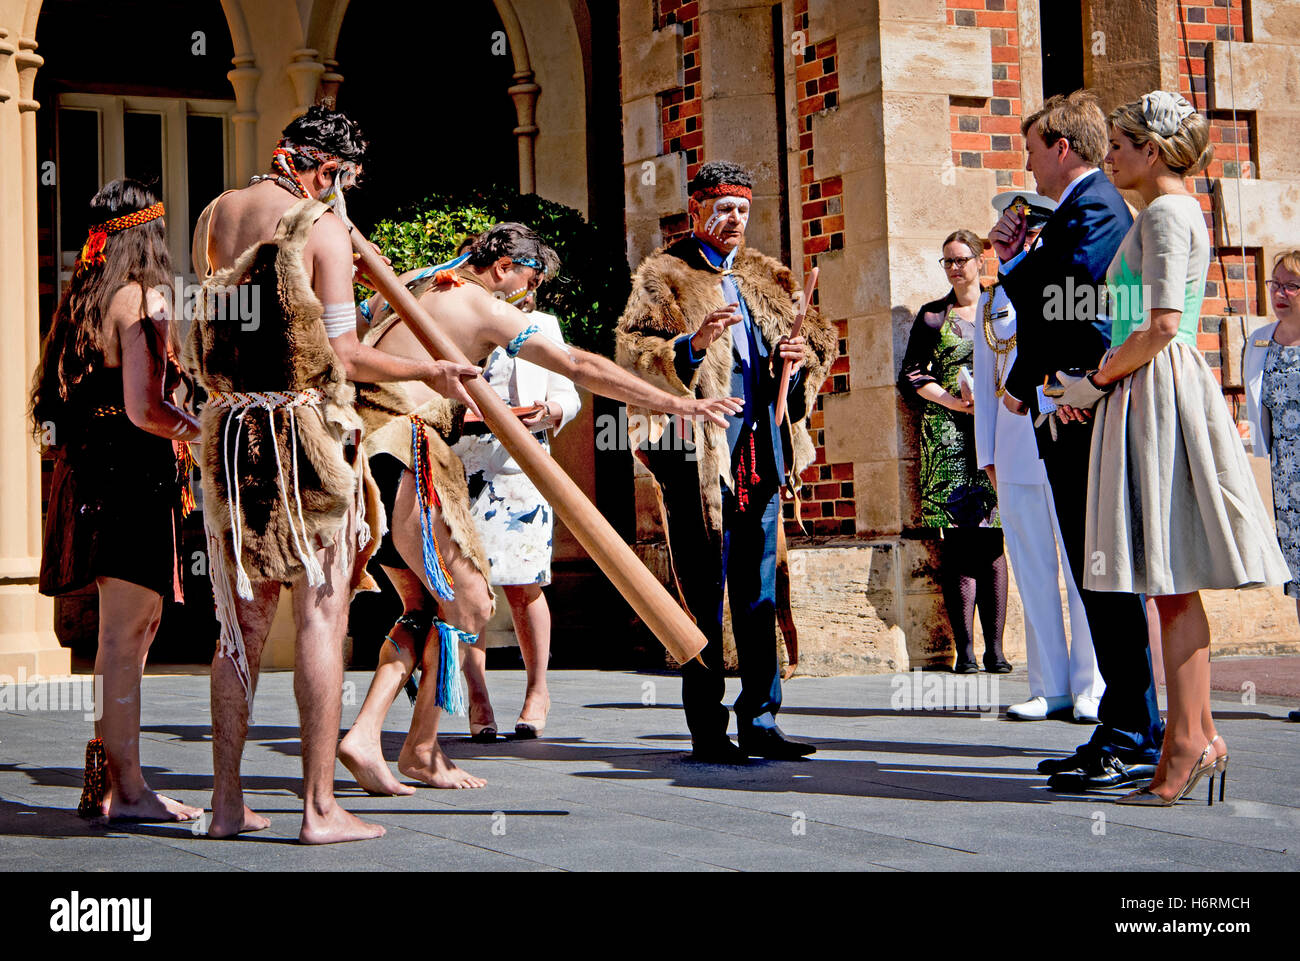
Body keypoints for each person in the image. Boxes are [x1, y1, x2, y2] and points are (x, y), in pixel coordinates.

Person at [336, 222, 742, 793]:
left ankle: (380, 740)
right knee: (471, 605)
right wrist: (677, 402)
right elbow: (579, 365)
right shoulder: (480, 305)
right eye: (530, 276)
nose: (529, 292)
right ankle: (416, 749)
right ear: (503, 265)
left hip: (356, 455)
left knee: (426, 606)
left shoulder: (414, 283)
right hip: (402, 452)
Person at [187, 105, 481, 842]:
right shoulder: (321, 229)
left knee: (239, 625)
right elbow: (346, 356)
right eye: (332, 173)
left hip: (228, 434)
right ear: (311, 163)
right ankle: (319, 809)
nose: (334, 186)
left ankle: (227, 805)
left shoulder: (216, 214)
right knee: (321, 612)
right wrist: (432, 368)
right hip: (301, 432)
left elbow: (206, 323)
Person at [1054, 92, 1288, 804]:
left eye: (1121, 143)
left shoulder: (1162, 212)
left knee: (1168, 577)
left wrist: (1091, 382)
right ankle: (1197, 732)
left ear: (1150, 151)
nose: (1113, 154)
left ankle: (1187, 738)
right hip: (1159, 385)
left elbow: (1157, 325)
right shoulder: (1176, 210)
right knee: (1169, 578)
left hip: (1155, 387)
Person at [616, 160, 836, 764]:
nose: (735, 220)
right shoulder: (664, 276)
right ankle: (708, 727)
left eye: (743, 209)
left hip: (760, 453)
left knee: (758, 587)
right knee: (702, 592)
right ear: (696, 212)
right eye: (723, 209)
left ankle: (761, 719)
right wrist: (693, 345)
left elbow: (817, 346)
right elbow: (634, 357)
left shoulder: (766, 275)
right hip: (695, 458)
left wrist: (800, 356)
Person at [990, 90, 1163, 792]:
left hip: (1081, 415)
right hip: (1065, 407)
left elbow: (1085, 300)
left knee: (1105, 574)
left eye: (1032, 150)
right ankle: (1124, 724)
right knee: (1097, 575)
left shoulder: (1095, 209)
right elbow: (1044, 293)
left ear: (1062, 148)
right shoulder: (1076, 211)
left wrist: (1069, 385)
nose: (1027, 165)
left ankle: (1133, 731)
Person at [32, 179, 203, 823]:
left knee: (123, 635)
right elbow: (146, 409)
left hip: (97, 474)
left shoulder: (84, 297)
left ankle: (108, 784)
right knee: (126, 637)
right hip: (134, 477)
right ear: (149, 235)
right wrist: (208, 431)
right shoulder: (143, 297)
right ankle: (127, 790)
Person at [974, 193, 1104, 722]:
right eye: (1013, 228)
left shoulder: (1062, 289)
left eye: (1028, 228)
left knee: (1082, 569)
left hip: (1065, 433)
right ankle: (1048, 684)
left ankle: (1090, 684)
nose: (1021, 236)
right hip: (1014, 445)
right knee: (1031, 568)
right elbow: (987, 385)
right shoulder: (994, 301)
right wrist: (988, 452)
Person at [457, 288, 581, 741]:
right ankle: (478, 697)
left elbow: (569, 395)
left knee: (522, 582)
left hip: (523, 464)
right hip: (464, 461)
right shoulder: (466, 316)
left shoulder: (545, 326)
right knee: (466, 586)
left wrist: (549, 411)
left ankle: (537, 690)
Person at [899, 230, 1009, 675]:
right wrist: (950, 399)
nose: (954, 268)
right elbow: (910, 374)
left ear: (980, 260)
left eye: (961, 259)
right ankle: (965, 652)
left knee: (994, 539)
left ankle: (996, 650)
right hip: (947, 437)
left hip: (997, 431)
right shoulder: (931, 316)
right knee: (959, 541)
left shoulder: (1001, 307)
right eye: (947, 262)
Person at [1239, 252, 1300, 728]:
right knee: (1299, 581)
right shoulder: (1260, 340)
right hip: (1287, 478)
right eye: (1275, 283)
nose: (1279, 293)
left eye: (1291, 285)